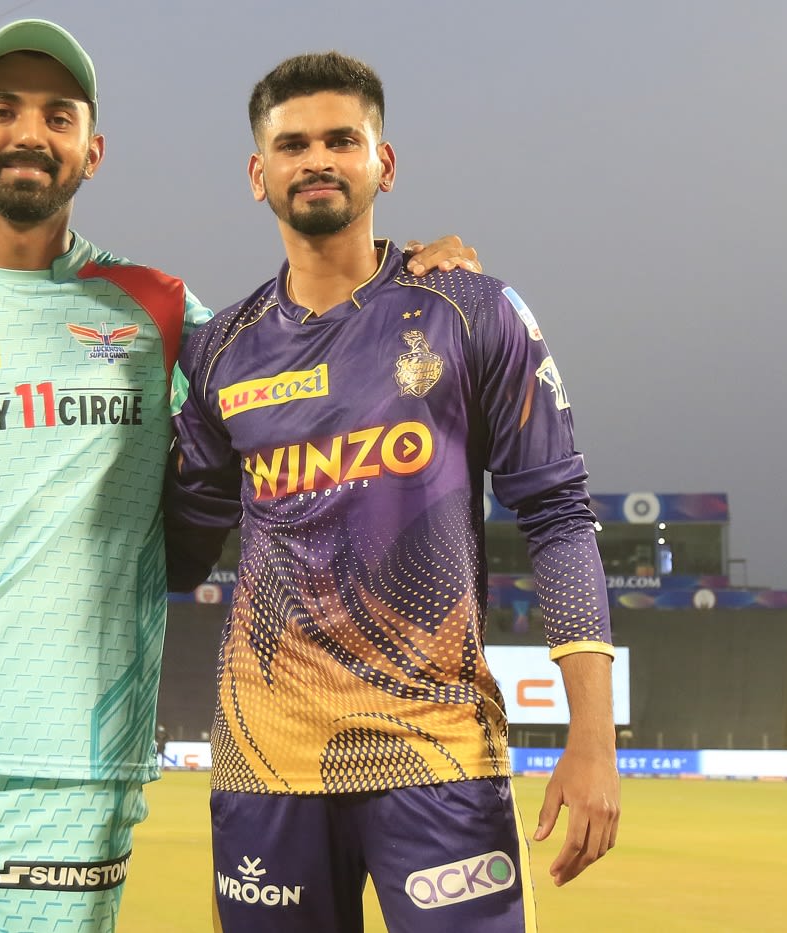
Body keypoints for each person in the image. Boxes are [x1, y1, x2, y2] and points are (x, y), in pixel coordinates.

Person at [0, 19, 477, 933]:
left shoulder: (161, 313)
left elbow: (303, 355)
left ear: (92, 151)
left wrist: (404, 285)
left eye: (59, 116)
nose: (29, 133)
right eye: (3, 110)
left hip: (78, 784)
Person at [163, 52, 620, 932]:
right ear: (259, 174)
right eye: (293, 145)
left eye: (342, 139)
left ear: (385, 162)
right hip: (267, 762)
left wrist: (592, 738)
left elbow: (560, 515)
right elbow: (179, 539)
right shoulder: (220, 350)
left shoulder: (473, 310)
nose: (318, 160)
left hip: (437, 756)